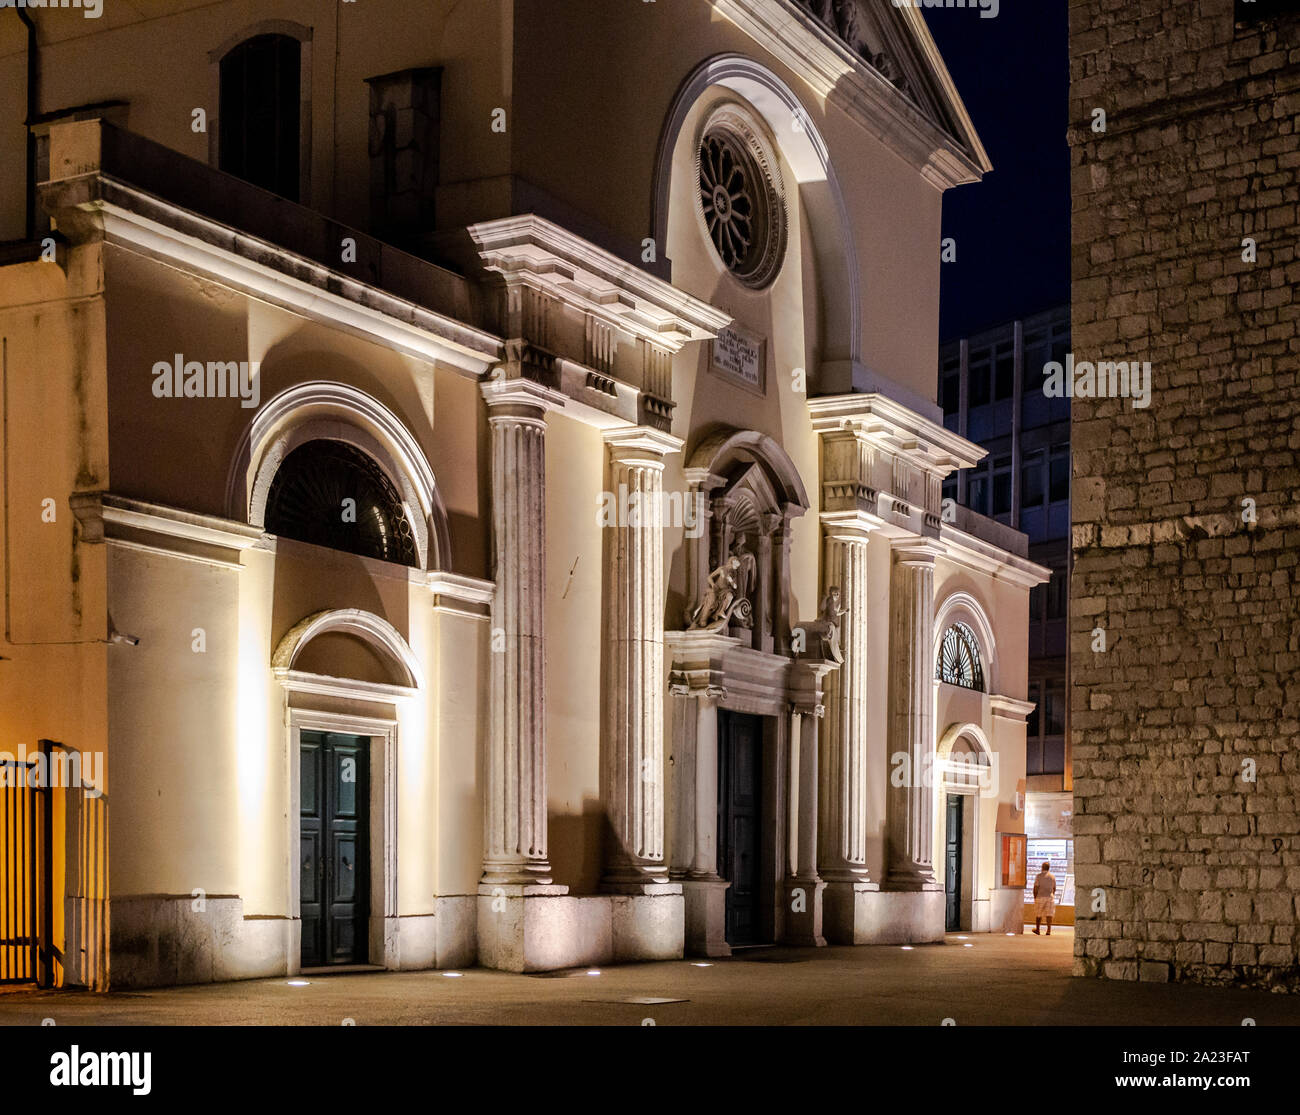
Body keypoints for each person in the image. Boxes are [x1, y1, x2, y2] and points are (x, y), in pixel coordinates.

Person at [1032, 861, 1057, 935]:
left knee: (1038, 914)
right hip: (1049, 897)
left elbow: (1036, 887)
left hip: (1040, 897)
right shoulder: (1052, 876)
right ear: (1049, 868)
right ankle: (1048, 930)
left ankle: (1038, 929)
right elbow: (1054, 888)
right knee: (1049, 914)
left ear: (1042, 867)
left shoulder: (1038, 876)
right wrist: (1051, 894)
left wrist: (1035, 897)